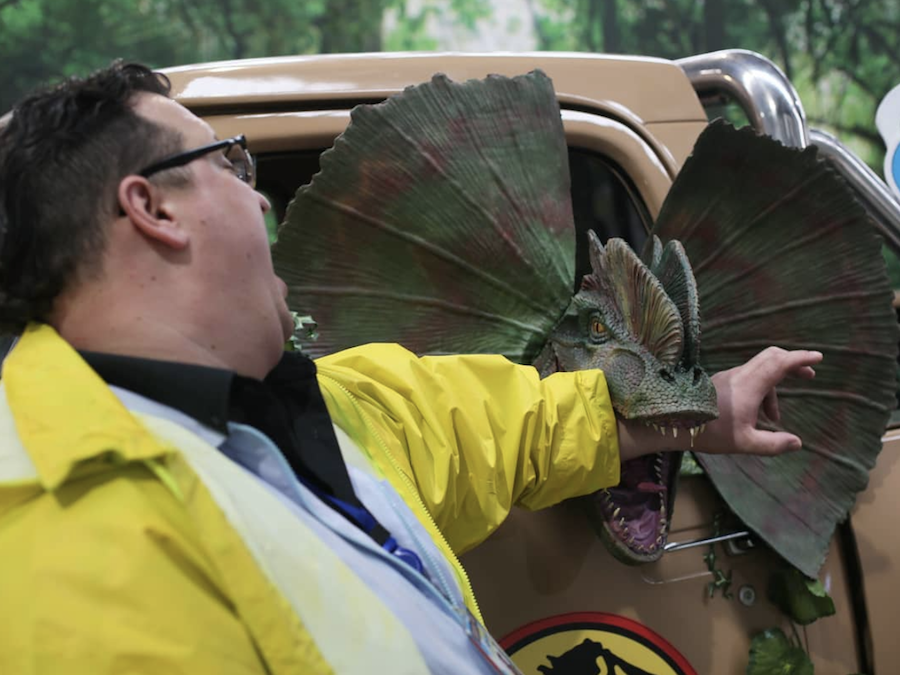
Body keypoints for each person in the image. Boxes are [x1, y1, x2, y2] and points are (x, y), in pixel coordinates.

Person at [0, 62, 820, 674]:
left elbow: (499, 425)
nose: (261, 202)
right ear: (154, 208)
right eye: (232, 165)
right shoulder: (63, 547)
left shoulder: (322, 400)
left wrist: (700, 404)